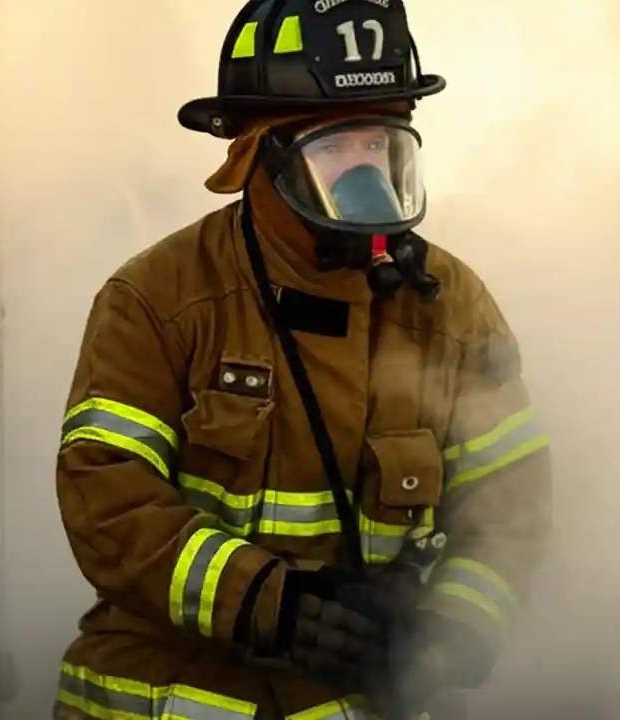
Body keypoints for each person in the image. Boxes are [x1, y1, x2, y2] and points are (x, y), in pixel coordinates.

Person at [52, 1, 552, 718]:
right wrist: (265, 600)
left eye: (381, 146)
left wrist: (452, 631)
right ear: (262, 156)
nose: (364, 171)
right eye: (336, 148)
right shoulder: (160, 299)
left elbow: (512, 500)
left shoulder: (449, 306)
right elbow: (105, 500)